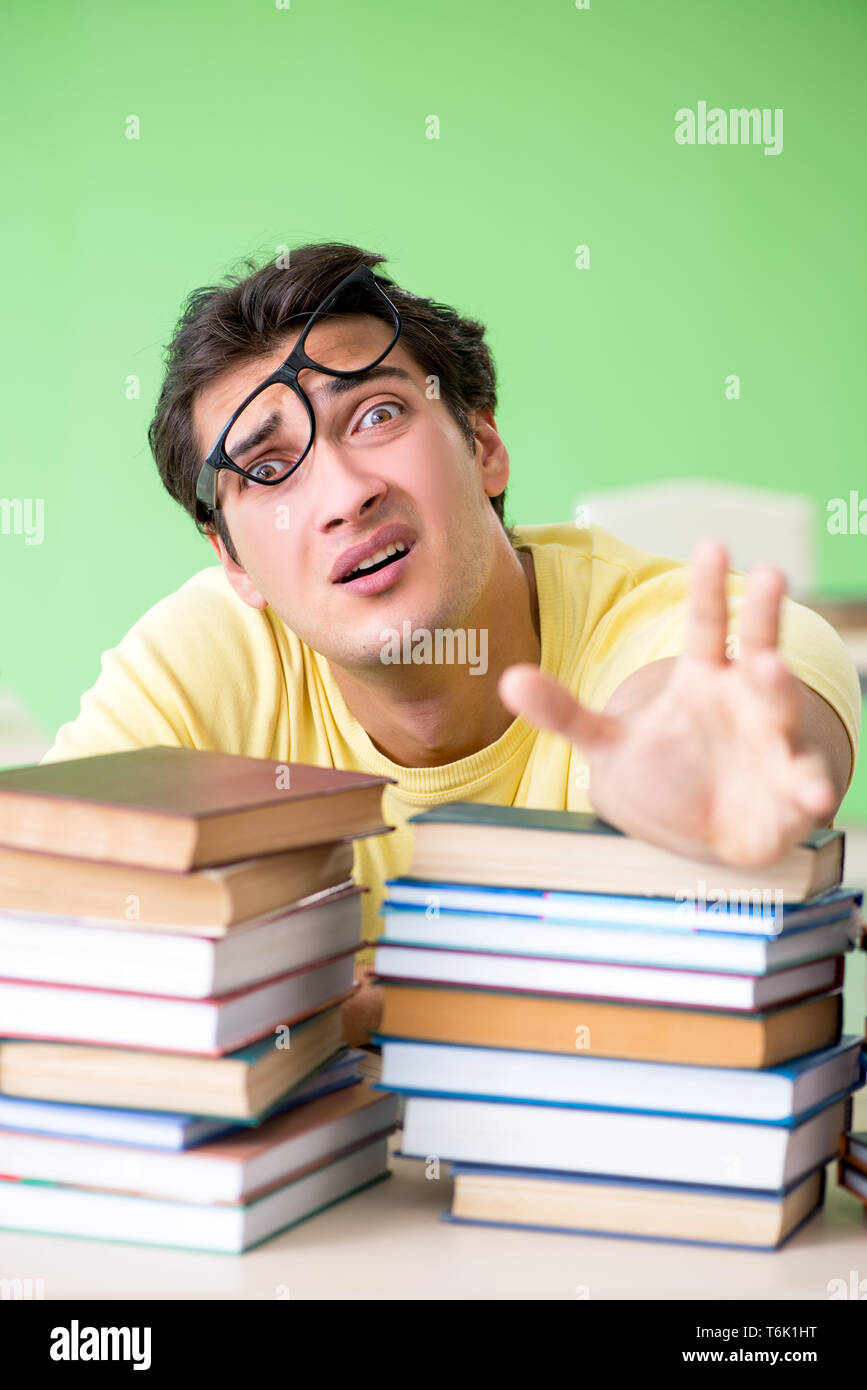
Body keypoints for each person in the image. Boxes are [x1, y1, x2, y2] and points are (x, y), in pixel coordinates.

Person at [42, 241, 861, 1043]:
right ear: (232, 561)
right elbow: (40, 923)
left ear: (483, 447)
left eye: (376, 414)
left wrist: (685, 793)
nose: (345, 495)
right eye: (267, 468)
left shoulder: (698, 630)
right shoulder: (197, 664)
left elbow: (742, 730)